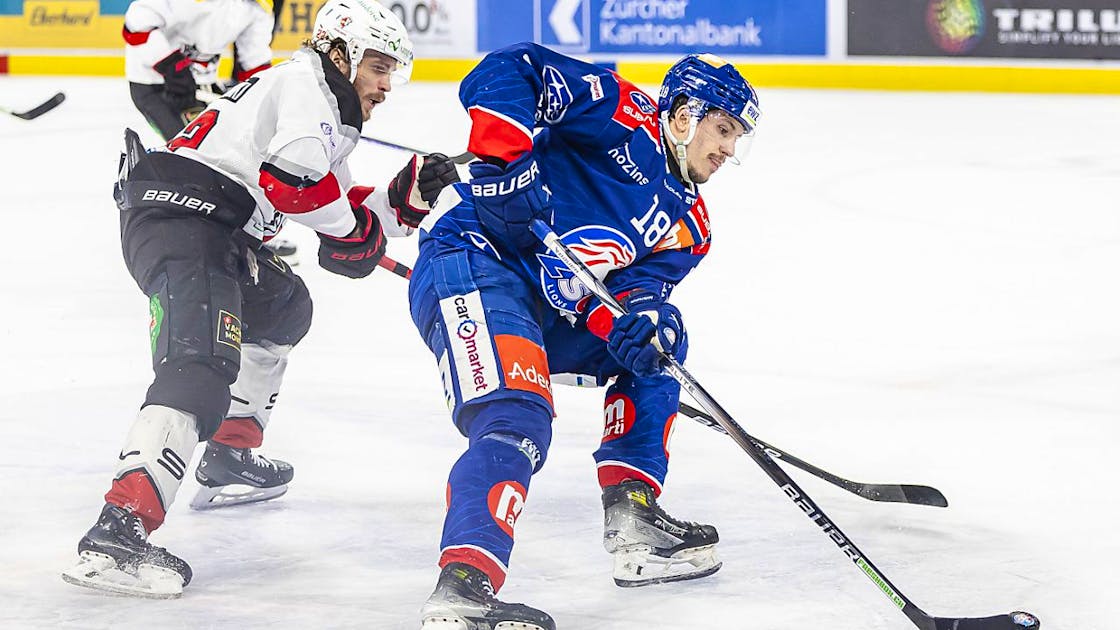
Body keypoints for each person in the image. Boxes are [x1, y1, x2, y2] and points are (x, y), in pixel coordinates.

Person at [61, 0, 459, 598]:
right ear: (340, 54)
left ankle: (230, 452)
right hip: (186, 217)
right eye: (378, 67)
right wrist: (353, 231)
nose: (385, 85)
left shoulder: (322, 109)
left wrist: (406, 197)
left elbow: (338, 210)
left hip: (216, 226)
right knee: (199, 366)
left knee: (283, 307)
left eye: (391, 72)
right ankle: (116, 531)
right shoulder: (304, 85)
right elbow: (294, 185)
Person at [408, 43, 760, 628]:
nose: (728, 149)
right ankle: (463, 588)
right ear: (683, 114)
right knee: (517, 418)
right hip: (474, 259)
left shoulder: (690, 226)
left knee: (660, 350)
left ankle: (634, 513)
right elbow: (509, 70)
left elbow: (628, 297)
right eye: (722, 129)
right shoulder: (622, 113)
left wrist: (639, 326)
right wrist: (506, 164)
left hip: (547, 310)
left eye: (737, 138)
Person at [122, 0, 299, 262]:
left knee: (241, 157)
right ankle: (192, 236)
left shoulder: (257, 9)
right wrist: (174, 67)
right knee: (194, 161)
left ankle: (249, 233)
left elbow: (255, 65)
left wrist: (265, 101)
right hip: (155, 84)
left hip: (202, 86)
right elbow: (137, 25)